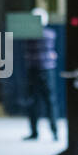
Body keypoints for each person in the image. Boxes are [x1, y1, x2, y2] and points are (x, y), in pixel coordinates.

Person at [22, 11, 58, 140]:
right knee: (49, 101)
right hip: (47, 70)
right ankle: (54, 132)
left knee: (35, 101)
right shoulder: (50, 34)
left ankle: (35, 132)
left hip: (36, 70)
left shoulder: (31, 35)